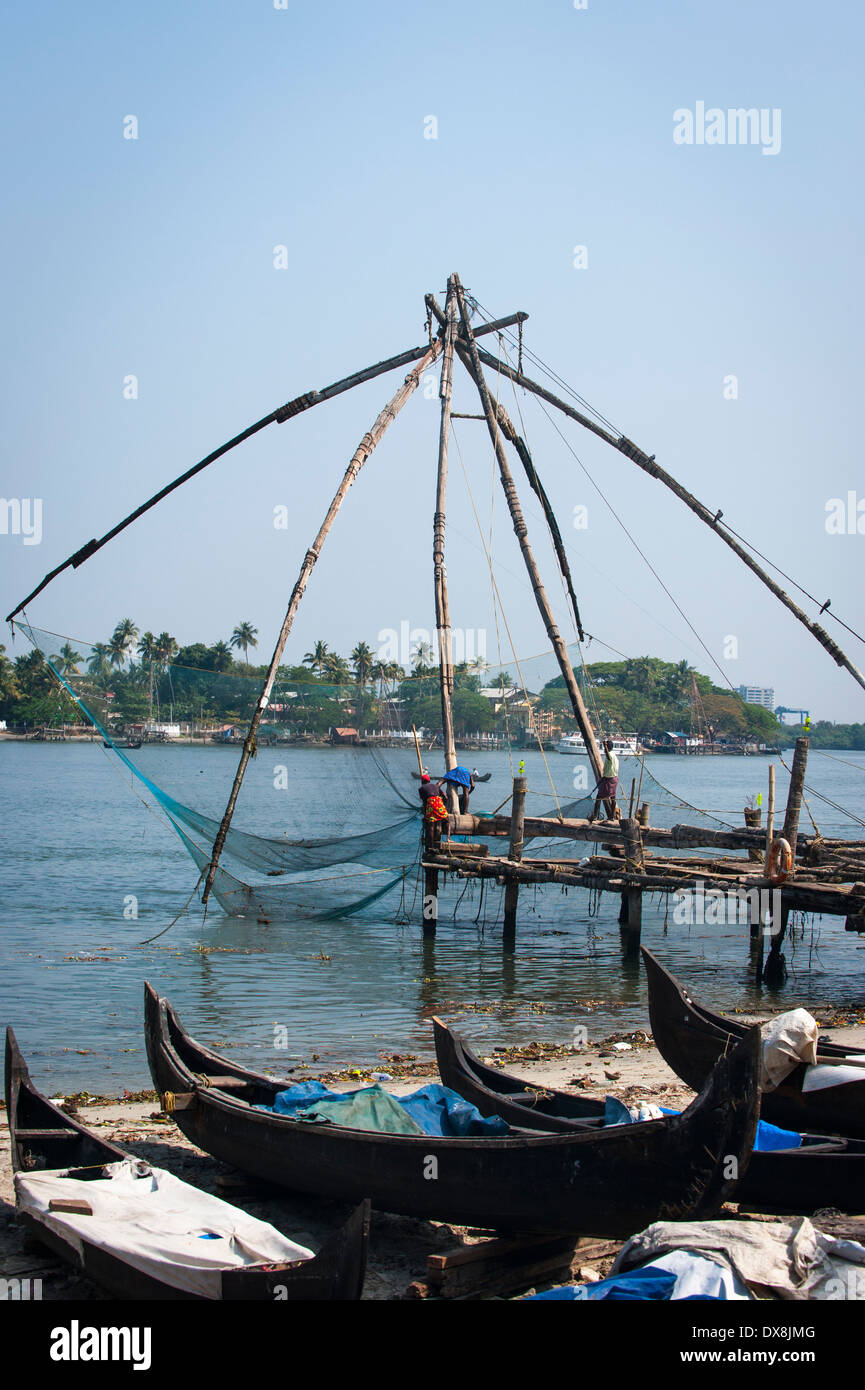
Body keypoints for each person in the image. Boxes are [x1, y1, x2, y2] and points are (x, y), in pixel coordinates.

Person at [589, 739, 620, 822]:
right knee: (613, 798)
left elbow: (607, 755)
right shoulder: (615, 756)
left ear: (607, 748)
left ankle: (595, 816)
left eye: (605, 748)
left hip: (609, 780)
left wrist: (604, 745)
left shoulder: (610, 755)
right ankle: (612, 817)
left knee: (599, 797)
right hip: (614, 779)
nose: (604, 749)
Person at [418, 771, 448, 848]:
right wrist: (443, 804)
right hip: (439, 802)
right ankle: (448, 838)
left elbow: (425, 802)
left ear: (422, 782)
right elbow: (445, 797)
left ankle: (430, 846)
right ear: (429, 781)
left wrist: (425, 815)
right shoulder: (435, 786)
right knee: (446, 819)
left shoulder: (421, 788)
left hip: (431, 803)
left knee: (431, 826)